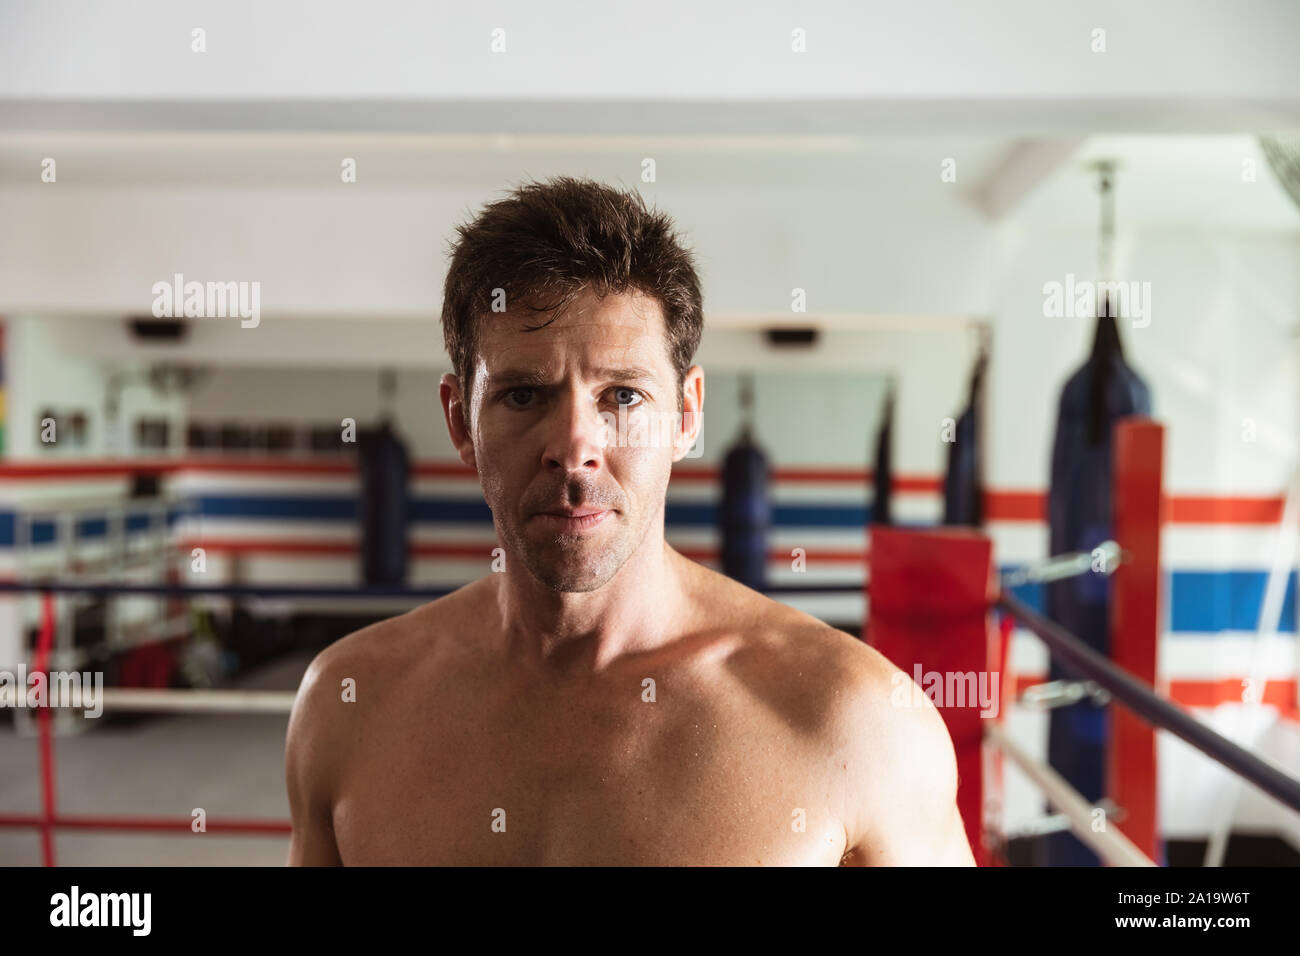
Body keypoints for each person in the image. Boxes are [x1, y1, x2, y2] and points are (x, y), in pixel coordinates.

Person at [285, 176, 975, 865]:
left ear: (688, 415)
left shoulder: (854, 722)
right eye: (523, 394)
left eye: (622, 394)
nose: (573, 449)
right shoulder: (350, 704)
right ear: (458, 420)